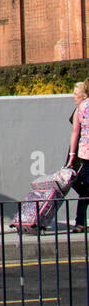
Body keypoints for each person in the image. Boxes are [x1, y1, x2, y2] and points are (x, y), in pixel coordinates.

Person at [66, 79, 89, 232]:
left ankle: (80, 222)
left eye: (76, 94)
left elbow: (75, 132)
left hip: (85, 154)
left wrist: (72, 154)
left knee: (85, 188)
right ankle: (80, 222)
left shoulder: (81, 108)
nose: (74, 96)